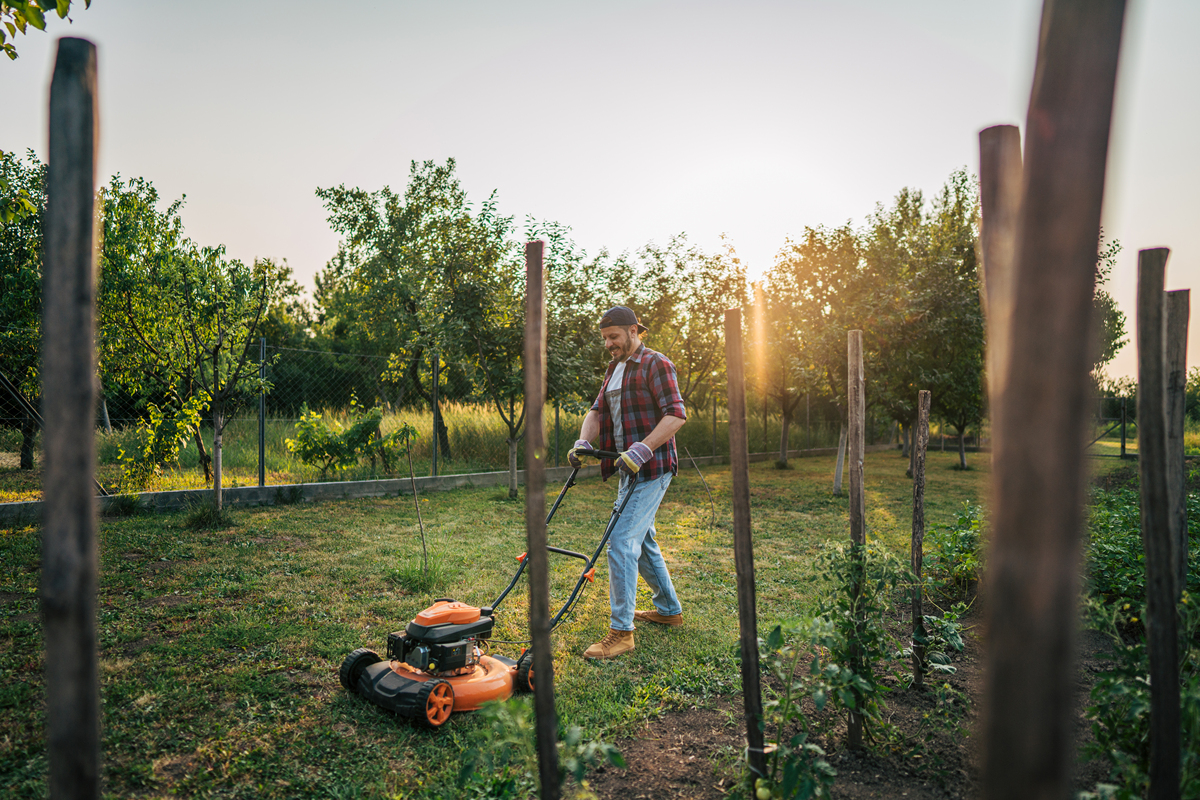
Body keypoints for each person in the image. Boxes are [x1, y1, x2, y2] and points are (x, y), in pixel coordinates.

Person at [568, 306, 687, 660]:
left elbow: (676, 415)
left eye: (614, 337)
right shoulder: (613, 369)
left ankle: (621, 632)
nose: (608, 344)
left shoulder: (656, 364)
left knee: (620, 542)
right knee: (642, 540)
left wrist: (642, 449)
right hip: (626, 470)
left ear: (634, 331)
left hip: (652, 469)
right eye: (605, 338)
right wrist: (583, 442)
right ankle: (668, 610)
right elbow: (596, 411)